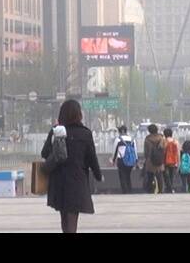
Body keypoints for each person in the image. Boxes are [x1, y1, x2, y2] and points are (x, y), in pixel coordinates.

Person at [41, 100, 103, 233]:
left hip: (59, 181)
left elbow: (44, 153)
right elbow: (92, 158)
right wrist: (98, 175)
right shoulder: (85, 133)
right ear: (79, 114)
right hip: (76, 180)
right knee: (72, 217)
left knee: (64, 217)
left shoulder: (56, 131)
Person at [111, 125, 137, 194]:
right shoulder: (132, 139)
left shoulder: (118, 139)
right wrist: (136, 161)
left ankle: (125, 192)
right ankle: (129, 190)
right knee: (128, 176)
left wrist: (113, 160)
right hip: (131, 161)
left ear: (120, 131)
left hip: (121, 160)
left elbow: (114, 151)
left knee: (122, 176)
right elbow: (135, 151)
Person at [142, 124, 166, 194]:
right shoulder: (161, 138)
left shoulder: (147, 139)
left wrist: (147, 159)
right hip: (159, 160)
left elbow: (146, 152)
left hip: (150, 161)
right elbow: (164, 149)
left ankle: (150, 190)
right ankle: (161, 190)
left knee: (150, 176)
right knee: (160, 177)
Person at [163, 128, 180, 194]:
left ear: (164, 134)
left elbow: (163, 152)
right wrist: (178, 163)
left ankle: (169, 189)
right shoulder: (176, 142)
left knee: (166, 176)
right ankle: (171, 188)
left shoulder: (164, 141)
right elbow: (178, 153)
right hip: (174, 162)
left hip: (166, 162)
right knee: (172, 176)